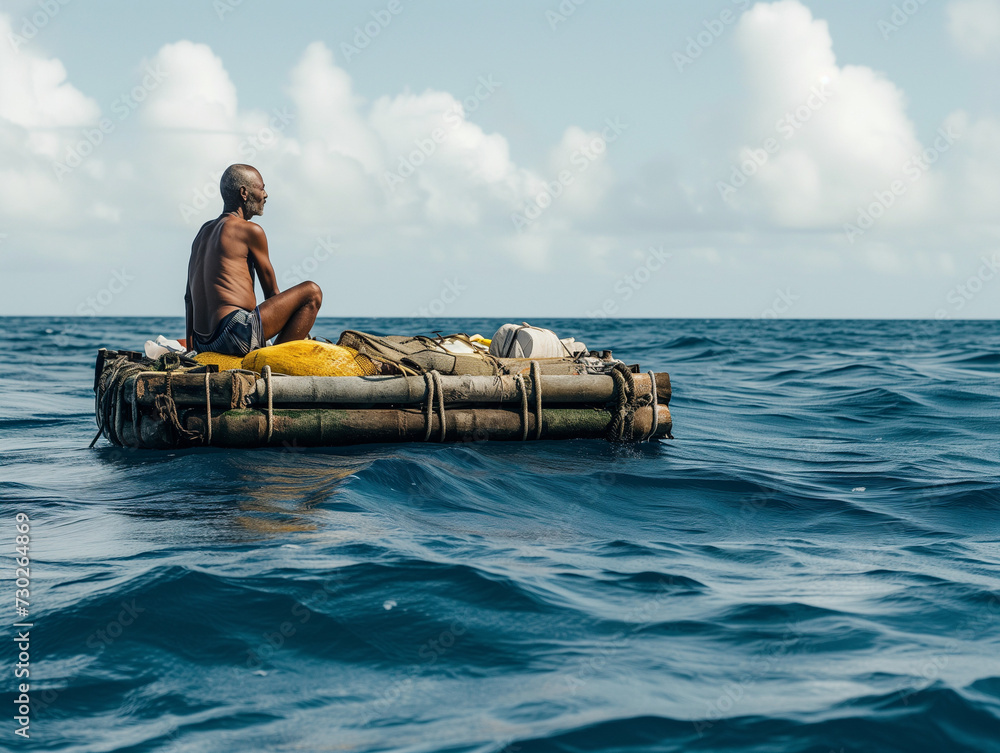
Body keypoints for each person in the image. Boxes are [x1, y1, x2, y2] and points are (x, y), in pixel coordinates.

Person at [184, 164, 323, 355]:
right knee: (312, 293)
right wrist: (299, 329)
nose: (265, 195)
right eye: (262, 188)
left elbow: (188, 298)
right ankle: (273, 362)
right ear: (244, 193)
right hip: (234, 334)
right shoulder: (250, 231)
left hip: (202, 342)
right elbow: (272, 294)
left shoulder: (203, 232)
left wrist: (192, 350)